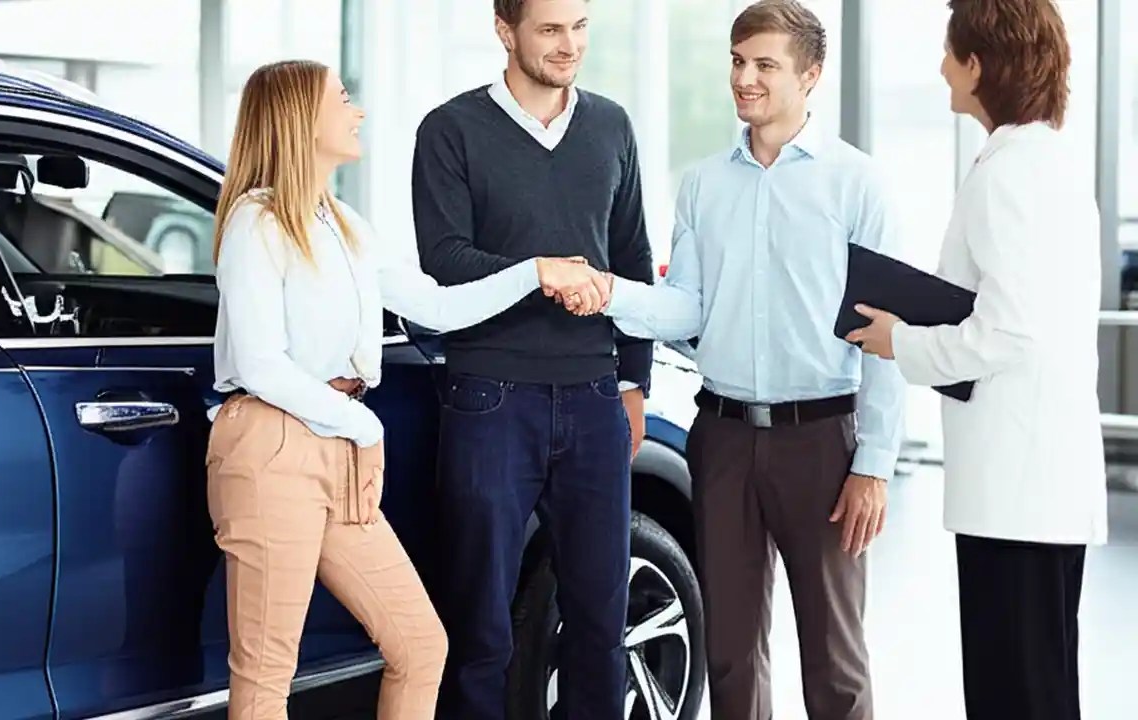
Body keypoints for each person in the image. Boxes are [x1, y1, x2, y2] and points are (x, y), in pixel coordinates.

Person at [205, 59, 607, 720]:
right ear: (303, 118)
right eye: (342, 98)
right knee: (266, 674)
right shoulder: (257, 222)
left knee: (420, 646)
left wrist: (535, 272)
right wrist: (365, 426)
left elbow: (440, 307)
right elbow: (259, 363)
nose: (356, 109)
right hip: (273, 447)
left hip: (334, 446)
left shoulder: (342, 223)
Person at [588, 2, 906, 718]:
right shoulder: (704, 183)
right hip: (723, 437)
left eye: (765, 64)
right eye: (737, 61)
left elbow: (886, 334)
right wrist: (608, 293)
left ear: (811, 74)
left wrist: (875, 465)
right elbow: (687, 310)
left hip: (823, 442)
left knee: (836, 659)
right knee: (731, 652)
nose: (745, 78)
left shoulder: (857, 184)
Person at [845, 1, 1108, 717]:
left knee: (1013, 690)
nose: (941, 68)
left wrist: (902, 341)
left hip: (1017, 491)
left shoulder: (1009, 175)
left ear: (979, 65)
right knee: (1041, 684)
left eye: (949, 54)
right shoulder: (1046, 163)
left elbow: (1008, 329)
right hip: (1039, 483)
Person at [409, 0, 653, 715]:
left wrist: (633, 379)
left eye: (580, 27)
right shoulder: (450, 130)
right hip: (489, 398)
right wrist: (539, 270)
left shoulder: (611, 126)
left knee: (601, 623)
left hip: (594, 398)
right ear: (503, 30)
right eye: (550, 29)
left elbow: (631, 261)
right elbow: (445, 260)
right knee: (479, 623)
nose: (569, 45)